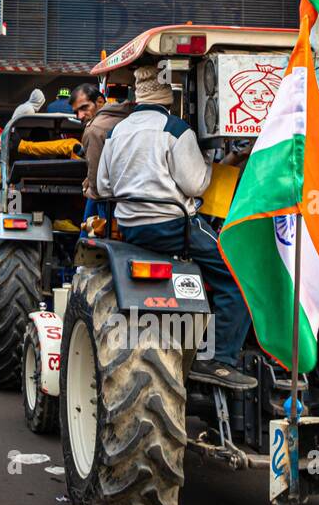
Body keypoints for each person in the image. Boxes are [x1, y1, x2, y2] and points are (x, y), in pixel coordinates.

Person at [96, 66, 255, 390]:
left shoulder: (117, 131)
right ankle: (219, 360)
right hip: (174, 227)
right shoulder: (175, 129)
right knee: (239, 279)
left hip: (131, 228)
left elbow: (103, 185)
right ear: (168, 97)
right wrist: (211, 166)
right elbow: (195, 185)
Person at [81, 84, 134, 222]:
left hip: (108, 195)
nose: (81, 114)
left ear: (99, 101)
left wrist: (90, 190)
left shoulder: (95, 128)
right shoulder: (132, 119)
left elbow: (96, 172)